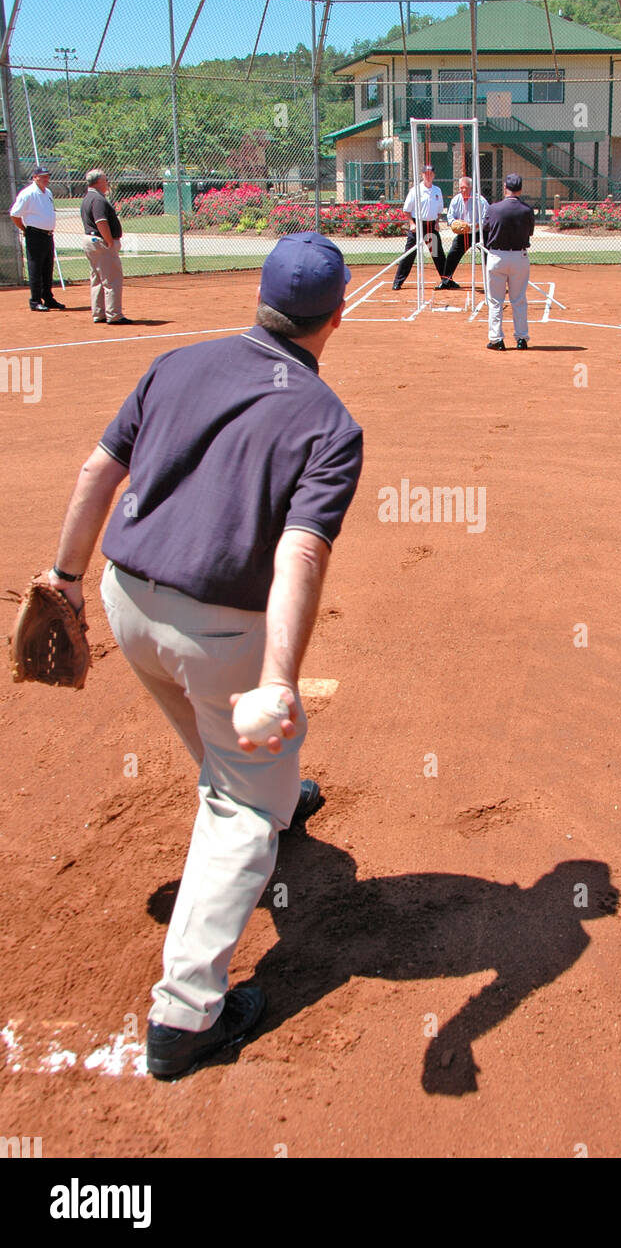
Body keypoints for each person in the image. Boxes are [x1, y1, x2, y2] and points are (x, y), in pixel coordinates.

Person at [45, 232, 363, 1079]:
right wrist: (277, 680)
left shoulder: (175, 363)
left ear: (258, 299)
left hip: (124, 600)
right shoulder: (329, 422)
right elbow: (299, 554)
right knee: (238, 809)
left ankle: (281, 791)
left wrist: (65, 580)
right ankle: (187, 1016)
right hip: (219, 632)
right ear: (337, 316)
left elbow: (97, 471)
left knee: (217, 731)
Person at [482, 172, 535, 351]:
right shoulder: (527, 210)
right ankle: (521, 338)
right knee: (518, 299)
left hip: (497, 255)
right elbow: (529, 233)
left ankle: (496, 339)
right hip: (519, 256)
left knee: (496, 300)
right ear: (520, 189)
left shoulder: (494, 208)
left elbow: (485, 230)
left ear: (505, 188)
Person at [9, 166, 65, 312]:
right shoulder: (27, 193)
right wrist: (25, 229)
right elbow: (14, 214)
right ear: (34, 177)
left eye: (47, 176)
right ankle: (35, 301)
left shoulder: (48, 192)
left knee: (47, 268)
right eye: (42, 176)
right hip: (35, 234)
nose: (45, 179)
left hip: (48, 234)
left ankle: (48, 297)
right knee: (35, 268)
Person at [81, 169, 129, 324]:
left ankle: (99, 313)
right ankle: (114, 315)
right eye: (105, 179)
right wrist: (109, 240)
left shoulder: (88, 197)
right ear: (99, 182)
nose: (107, 182)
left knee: (97, 279)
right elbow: (101, 221)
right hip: (100, 242)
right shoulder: (98, 199)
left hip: (91, 241)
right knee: (111, 279)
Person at [392, 164, 446, 290]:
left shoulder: (437, 191)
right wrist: (411, 223)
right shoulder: (415, 190)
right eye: (426, 174)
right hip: (417, 225)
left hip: (431, 225)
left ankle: (446, 280)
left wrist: (437, 222)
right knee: (409, 254)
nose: (428, 176)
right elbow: (406, 210)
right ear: (422, 175)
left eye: (431, 174)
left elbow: (439, 210)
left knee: (438, 254)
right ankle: (398, 281)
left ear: (434, 175)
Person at [436, 175, 489, 291]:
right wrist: (455, 223)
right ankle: (446, 281)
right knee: (452, 255)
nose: (462, 190)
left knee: (488, 255)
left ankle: (492, 282)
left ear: (471, 187)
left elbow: (487, 218)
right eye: (461, 188)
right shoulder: (456, 199)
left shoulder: (480, 200)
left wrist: (474, 225)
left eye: (465, 188)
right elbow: (450, 216)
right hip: (463, 234)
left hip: (479, 232)